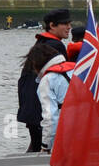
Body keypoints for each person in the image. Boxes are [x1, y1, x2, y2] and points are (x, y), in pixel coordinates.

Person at [17, 8, 70, 153]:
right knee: (42, 147)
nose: (69, 27)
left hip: (30, 108)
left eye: (69, 23)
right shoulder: (55, 47)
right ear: (52, 26)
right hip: (41, 108)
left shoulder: (40, 44)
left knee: (35, 145)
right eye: (65, 24)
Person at [37, 56, 75, 152]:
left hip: (70, 133)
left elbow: (51, 118)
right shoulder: (79, 70)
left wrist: (46, 146)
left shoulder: (47, 80)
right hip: (93, 130)